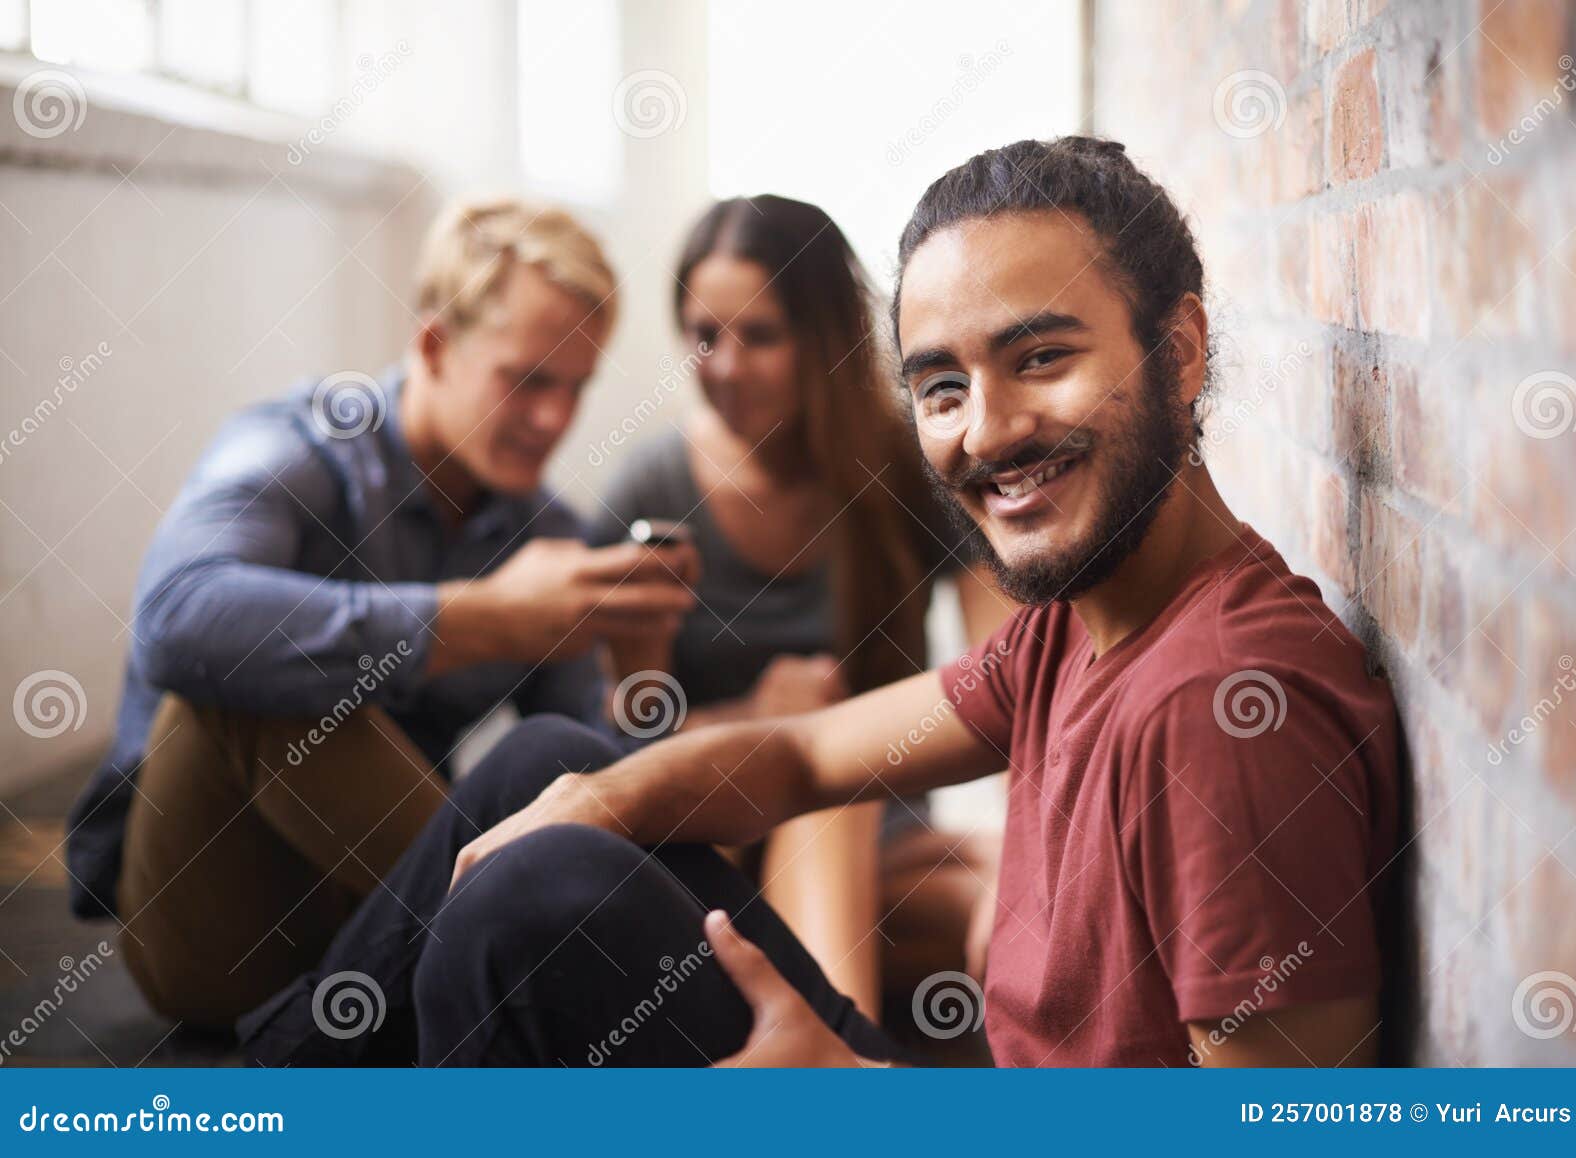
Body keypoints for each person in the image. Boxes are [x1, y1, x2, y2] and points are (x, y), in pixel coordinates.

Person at [242, 137, 1402, 1068]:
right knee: (542, 773)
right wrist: (599, 794)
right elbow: (802, 756)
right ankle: (274, 1095)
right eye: (941, 385)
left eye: (1040, 358)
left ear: (1180, 349)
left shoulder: (1226, 709)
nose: (987, 430)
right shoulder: (1076, 626)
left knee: (528, 902)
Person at [66, 197, 699, 1029]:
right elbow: (177, 617)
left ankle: (534, 952)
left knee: (553, 762)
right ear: (433, 346)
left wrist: (642, 665)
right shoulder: (298, 447)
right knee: (251, 672)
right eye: (527, 379)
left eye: (576, 387)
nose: (554, 419)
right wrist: (477, 617)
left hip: (385, 922)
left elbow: (582, 778)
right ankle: (550, 950)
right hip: (219, 931)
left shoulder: (545, 535)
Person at [589, 195, 1007, 1021]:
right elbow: (617, 744)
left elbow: (1016, 678)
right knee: (850, 801)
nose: (726, 366)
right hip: (712, 842)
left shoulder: (904, 466)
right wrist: (757, 720)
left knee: (1016, 893)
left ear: (824, 337)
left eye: (760, 336)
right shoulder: (652, 488)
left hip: (880, 849)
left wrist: (1029, 851)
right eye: (704, 336)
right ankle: (841, 1071)